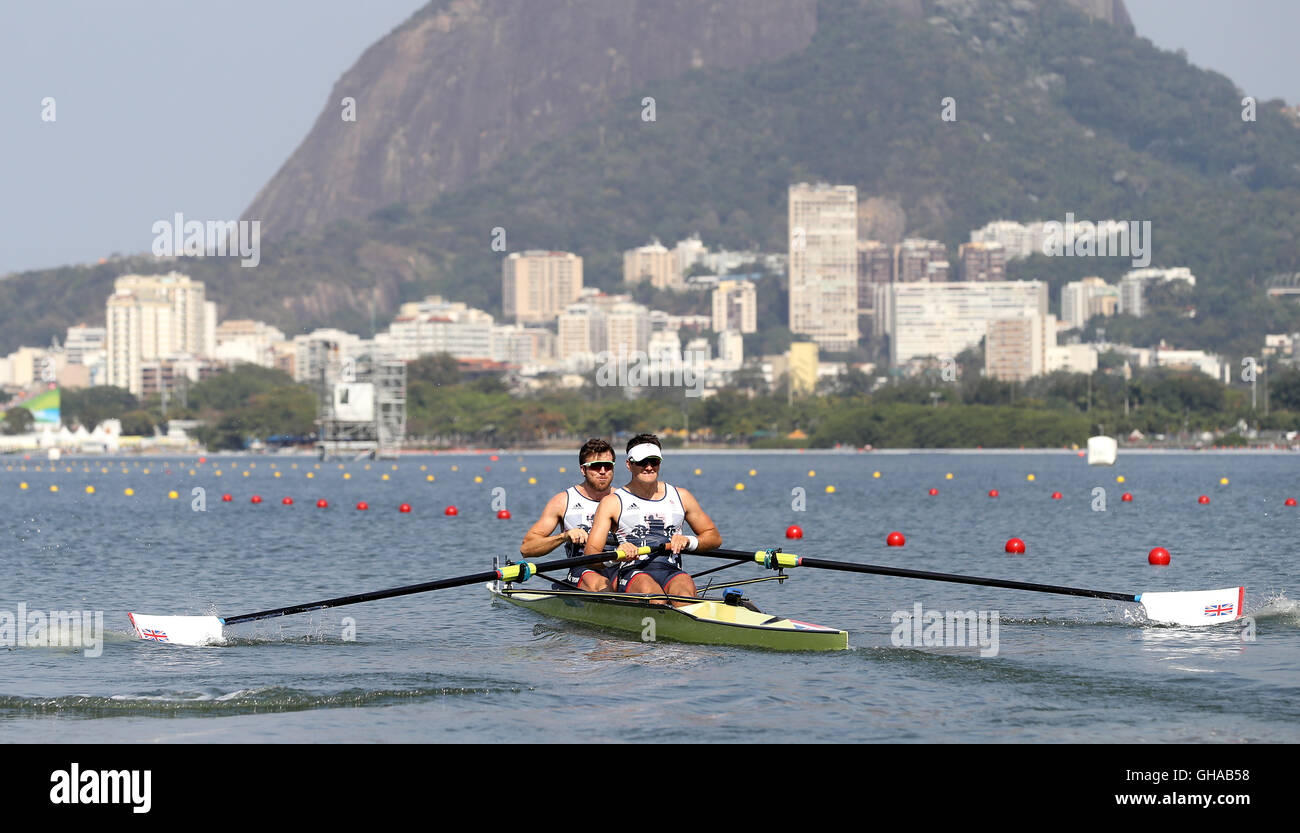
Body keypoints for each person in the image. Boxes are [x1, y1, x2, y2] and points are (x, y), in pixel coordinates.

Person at [585, 434, 720, 605]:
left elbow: (714, 537)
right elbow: (590, 555)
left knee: (684, 592)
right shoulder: (613, 502)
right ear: (629, 464)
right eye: (642, 462)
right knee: (654, 597)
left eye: (654, 462)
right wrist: (616, 556)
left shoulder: (681, 496)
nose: (648, 467)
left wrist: (689, 541)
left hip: (671, 570)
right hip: (632, 572)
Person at [519, 438, 619, 590]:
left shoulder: (623, 499)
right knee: (603, 587)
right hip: (583, 568)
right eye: (596, 466)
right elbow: (527, 549)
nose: (603, 471)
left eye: (608, 466)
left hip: (618, 564)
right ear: (583, 470)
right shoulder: (563, 502)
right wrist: (564, 536)